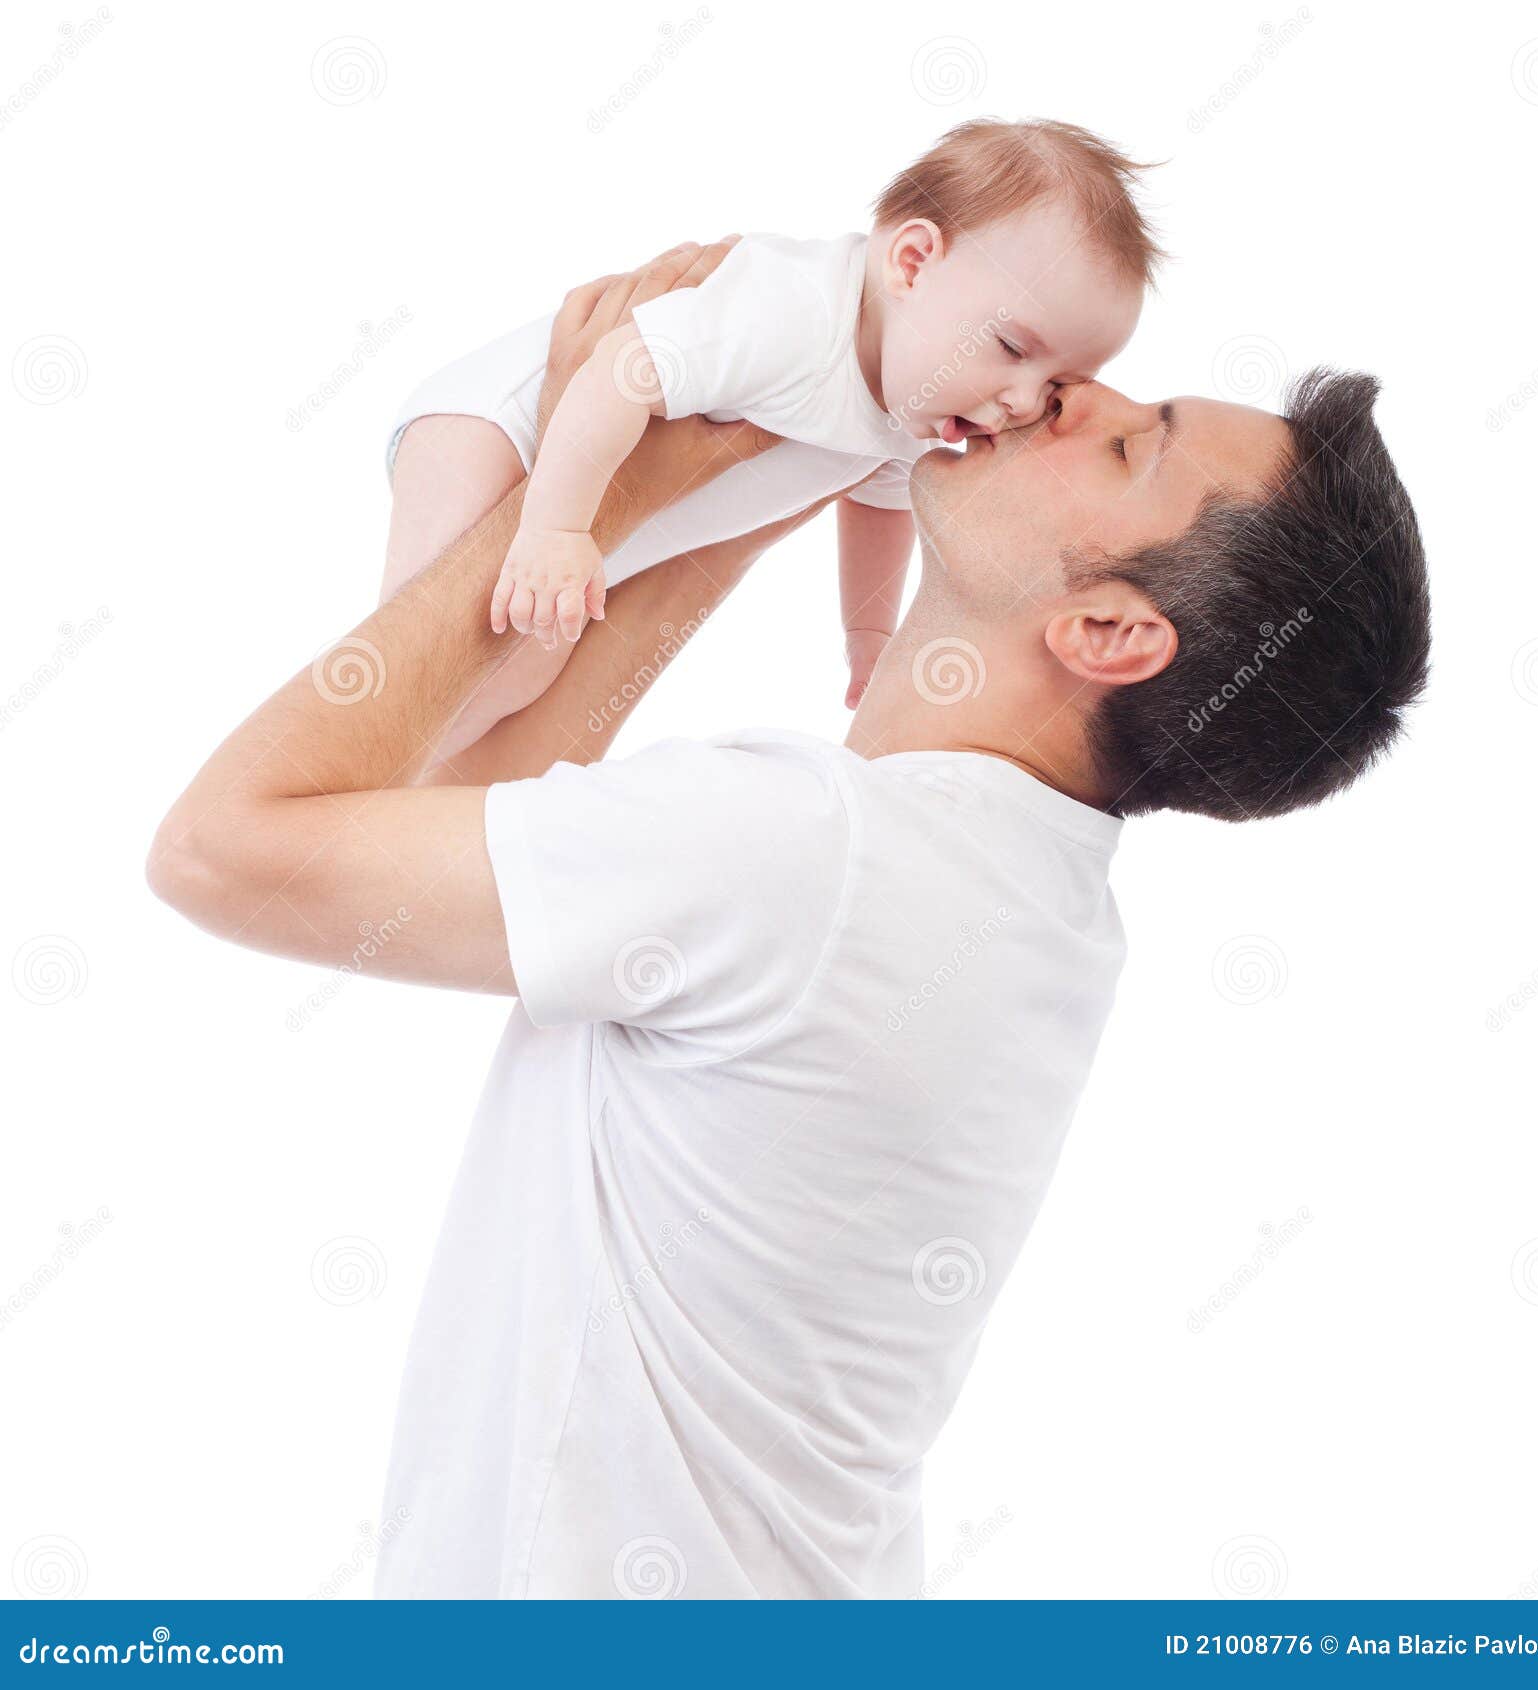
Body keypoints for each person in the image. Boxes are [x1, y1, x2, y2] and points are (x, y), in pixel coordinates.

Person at [146, 242, 1430, 1598]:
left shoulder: (810, 856)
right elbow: (485, 811)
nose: (1077, 393)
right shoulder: (1023, 900)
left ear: (1111, 634)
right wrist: (754, 463)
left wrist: (618, 487)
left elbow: (221, 849)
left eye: (1129, 449)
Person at [394, 119, 1156, 727]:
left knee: (501, 688)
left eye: (1059, 384)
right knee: (418, 663)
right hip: (492, 428)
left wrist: (868, 638)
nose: (1025, 402)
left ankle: (399, 808)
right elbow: (616, 371)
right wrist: (555, 530)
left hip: (591, 521)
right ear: (915, 263)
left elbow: (880, 505)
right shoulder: (792, 313)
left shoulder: (916, 408)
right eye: (1012, 347)